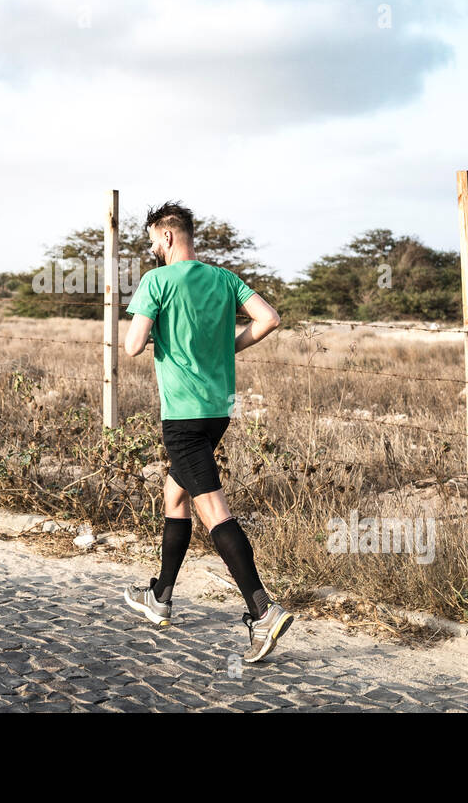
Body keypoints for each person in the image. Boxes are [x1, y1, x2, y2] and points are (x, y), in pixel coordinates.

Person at [121, 201, 293, 663]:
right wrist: (225, 349)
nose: (153, 249)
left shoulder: (156, 281)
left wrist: (158, 330)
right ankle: (160, 595)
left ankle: (262, 610)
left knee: (213, 508)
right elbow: (269, 318)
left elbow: (132, 346)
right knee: (174, 494)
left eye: (154, 240)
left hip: (182, 417)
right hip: (218, 411)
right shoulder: (224, 279)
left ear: (168, 236)